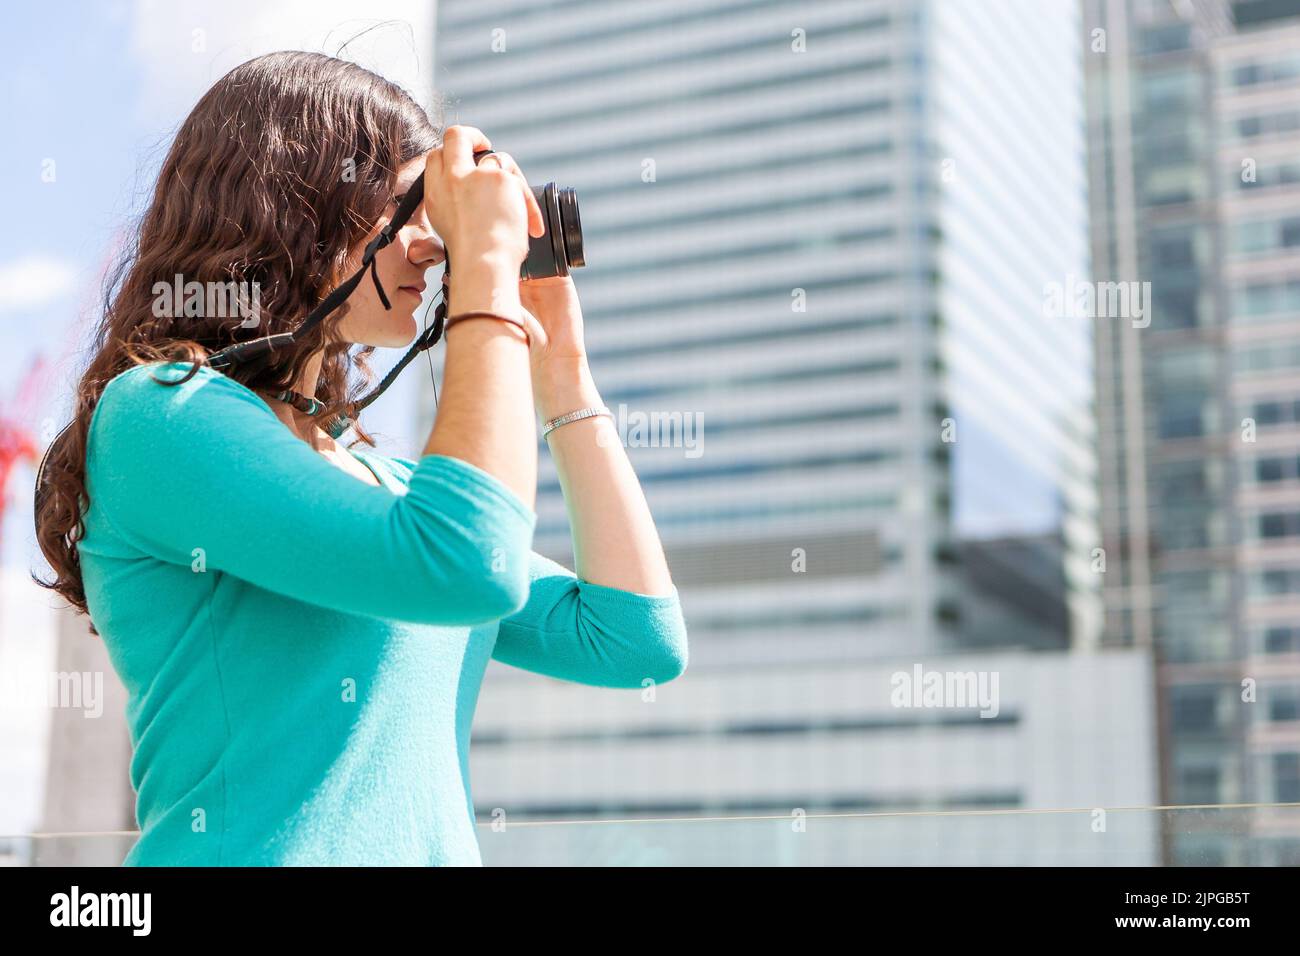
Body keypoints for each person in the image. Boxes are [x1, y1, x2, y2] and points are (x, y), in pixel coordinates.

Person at [32, 50, 687, 866]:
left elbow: (634, 640)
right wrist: (486, 276)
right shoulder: (162, 416)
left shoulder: (388, 488)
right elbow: (465, 564)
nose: (431, 244)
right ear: (296, 201)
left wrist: (563, 375)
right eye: (409, 207)